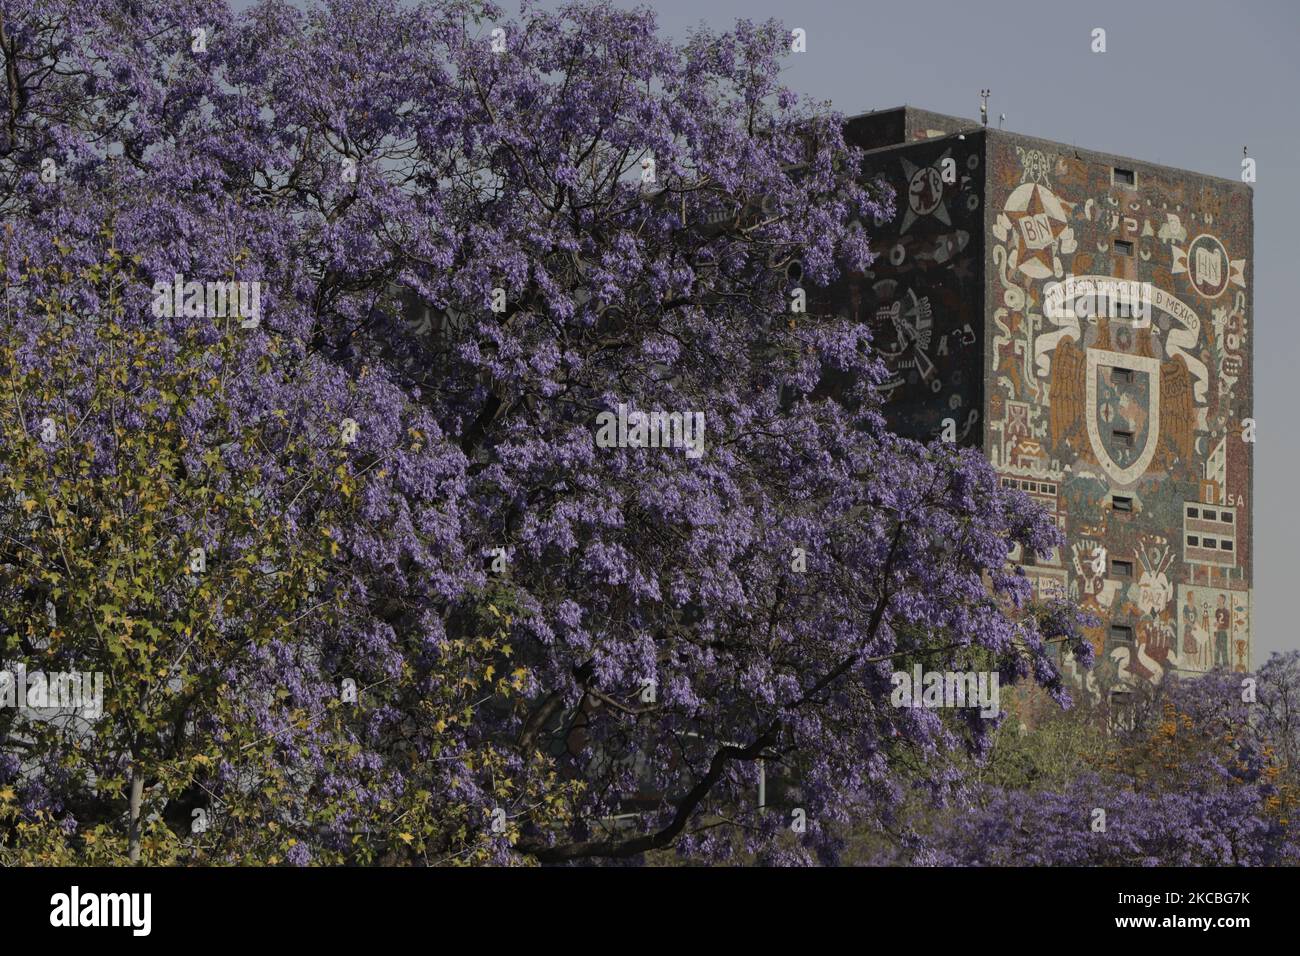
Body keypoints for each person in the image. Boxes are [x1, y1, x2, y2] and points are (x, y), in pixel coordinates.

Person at [1214, 594, 1231, 669]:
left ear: (1223, 600)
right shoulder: (1217, 611)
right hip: (1218, 632)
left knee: (1224, 649)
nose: (1218, 600)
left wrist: (1219, 624)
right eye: (1217, 599)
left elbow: (1227, 625)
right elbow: (1215, 625)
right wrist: (1215, 635)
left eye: (1219, 599)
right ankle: (1216, 665)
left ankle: (1226, 665)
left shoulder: (1226, 611)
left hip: (1223, 632)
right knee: (1216, 649)